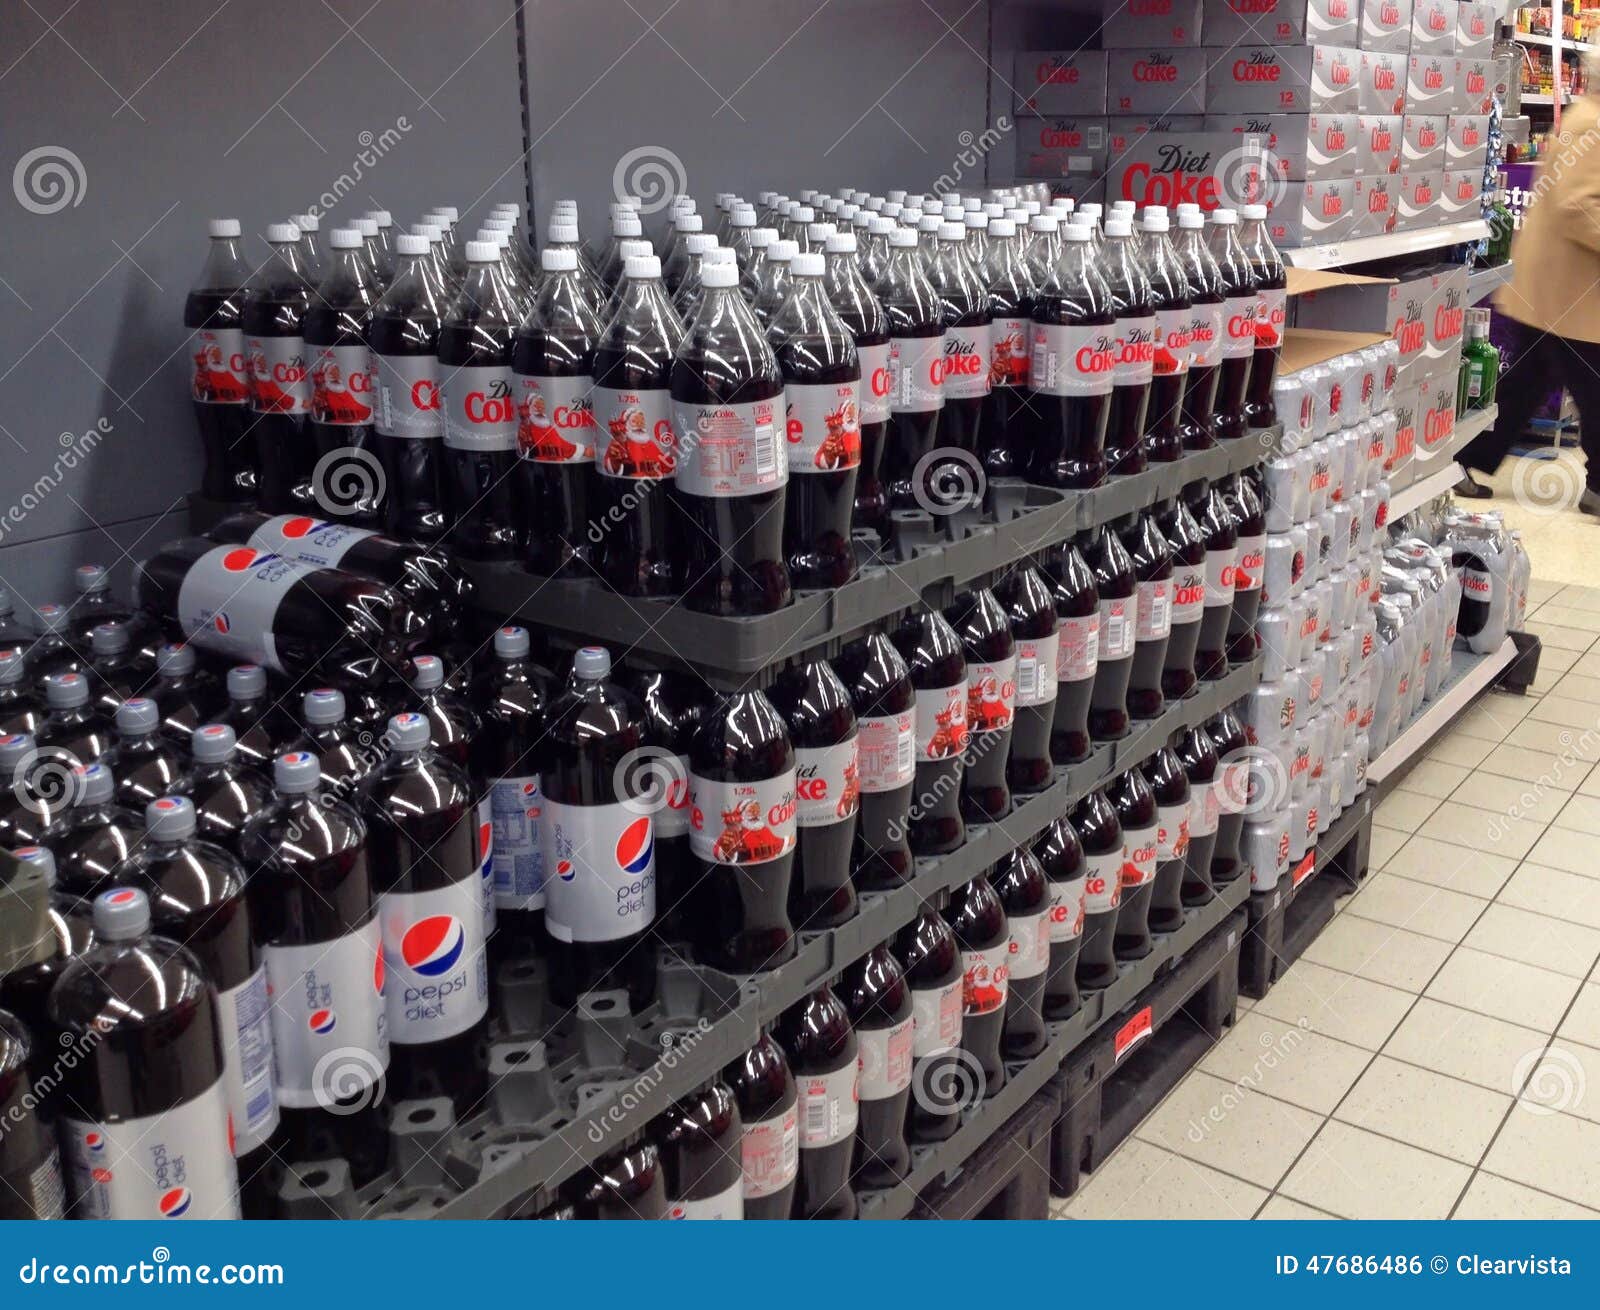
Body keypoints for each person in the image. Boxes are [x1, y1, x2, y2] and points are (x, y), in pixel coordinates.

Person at [1459, 61, 1600, 508]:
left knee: (1527, 382)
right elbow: (1578, 206)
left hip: (1560, 288)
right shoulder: (1591, 125)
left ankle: (1465, 459)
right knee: (1588, 385)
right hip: (1565, 289)